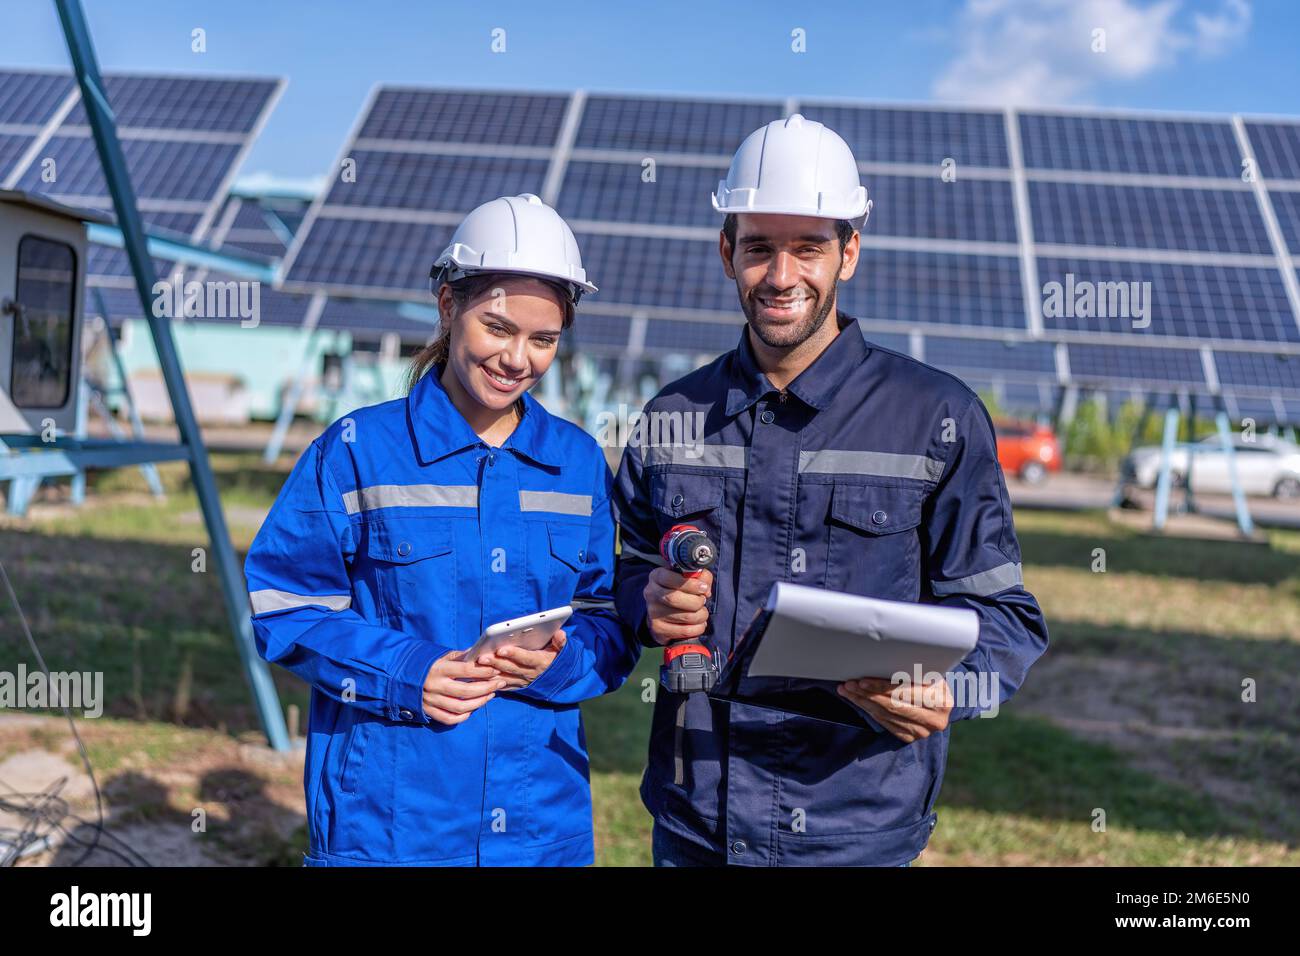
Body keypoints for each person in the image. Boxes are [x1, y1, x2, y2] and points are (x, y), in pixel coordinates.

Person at [612, 115, 1050, 867]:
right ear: (727, 253)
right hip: (695, 825)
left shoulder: (935, 418)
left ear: (849, 253)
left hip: (855, 830)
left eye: (808, 247)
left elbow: (1004, 616)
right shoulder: (671, 418)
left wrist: (949, 690)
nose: (782, 276)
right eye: (758, 248)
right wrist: (642, 601)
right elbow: (613, 576)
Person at [244, 193, 640, 866]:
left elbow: (607, 617)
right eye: (497, 328)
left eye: (542, 340)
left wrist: (559, 662)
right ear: (448, 305)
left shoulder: (576, 463)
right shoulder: (356, 450)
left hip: (539, 825)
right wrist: (407, 671)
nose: (518, 358)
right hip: (390, 826)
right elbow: (284, 607)